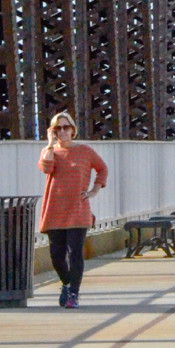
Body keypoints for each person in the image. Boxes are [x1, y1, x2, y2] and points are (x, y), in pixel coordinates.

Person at [38, 111, 108, 309]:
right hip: (55, 209)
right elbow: (46, 168)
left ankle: (74, 294)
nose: (62, 131)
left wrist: (94, 190)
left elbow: (102, 168)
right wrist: (51, 144)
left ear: (73, 130)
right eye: (57, 128)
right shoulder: (49, 151)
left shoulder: (85, 151)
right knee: (56, 255)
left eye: (66, 127)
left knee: (75, 252)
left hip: (78, 209)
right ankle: (66, 284)